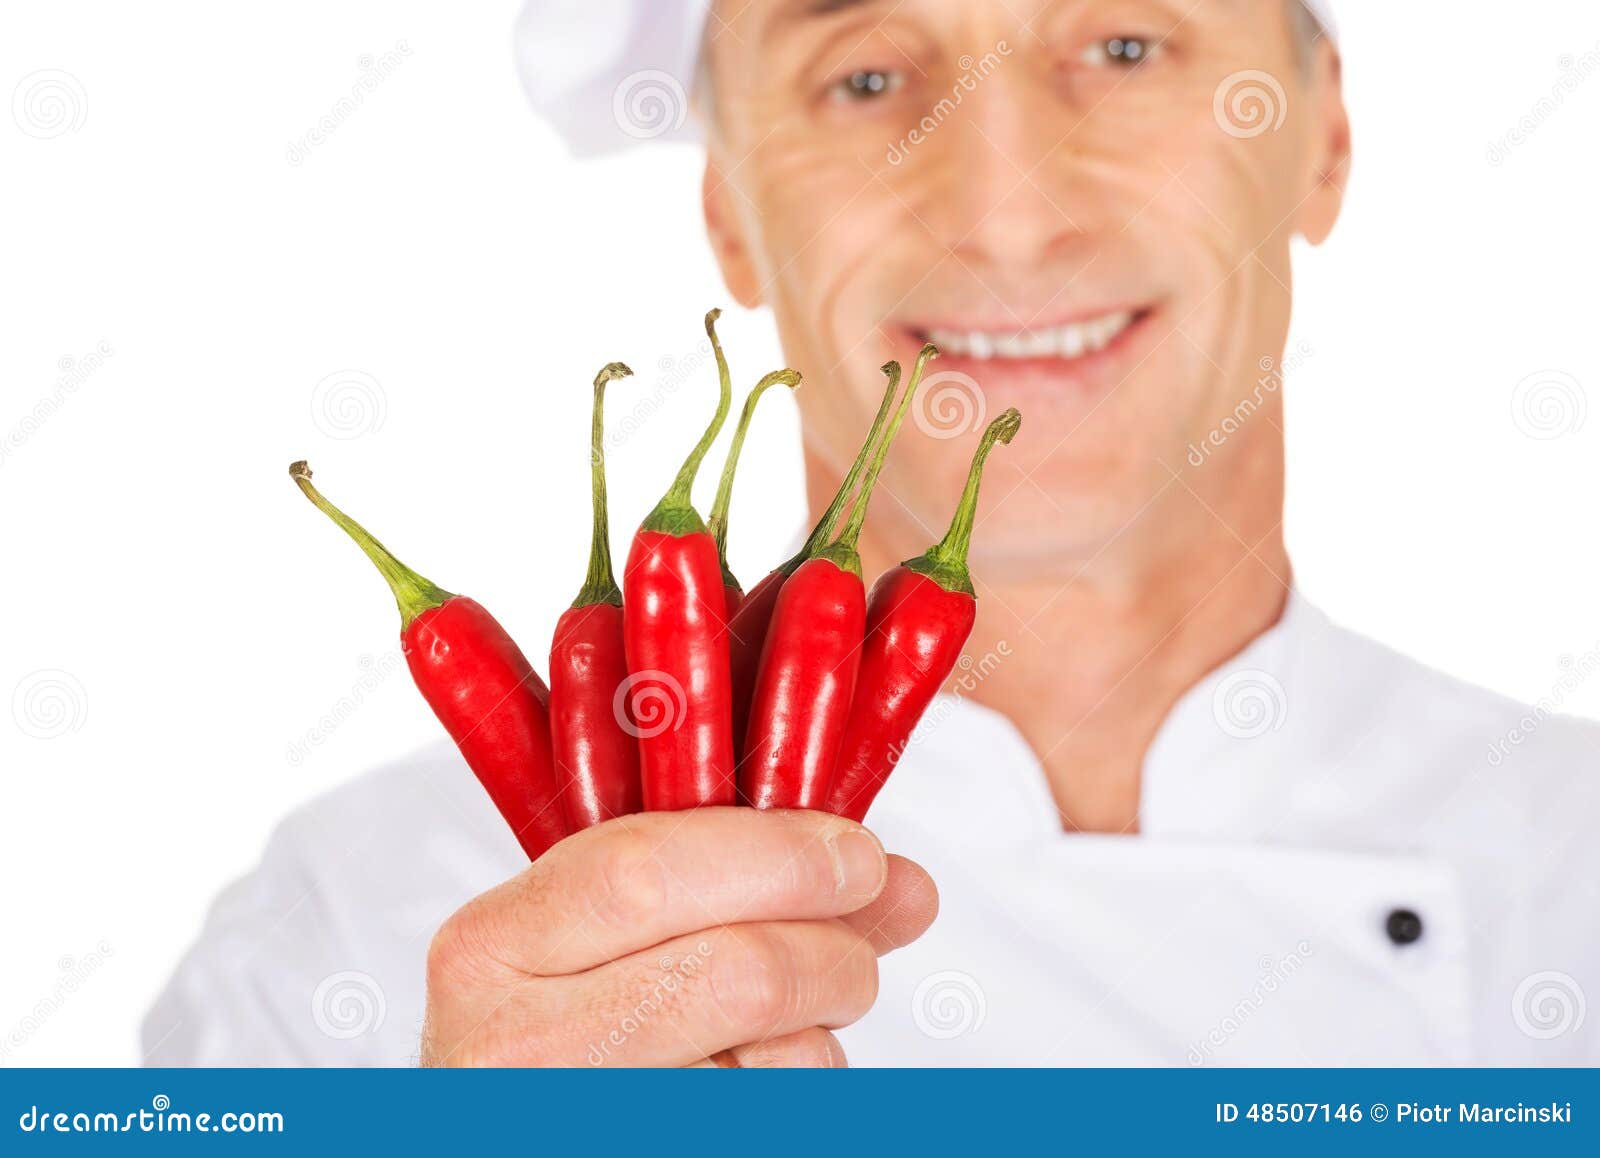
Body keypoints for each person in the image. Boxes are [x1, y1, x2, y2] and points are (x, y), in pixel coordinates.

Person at [144, 0, 1599, 1066]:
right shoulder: (345, 948)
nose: (1010, 215)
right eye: (865, 76)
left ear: (1322, 142)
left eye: (1125, 46)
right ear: (731, 219)